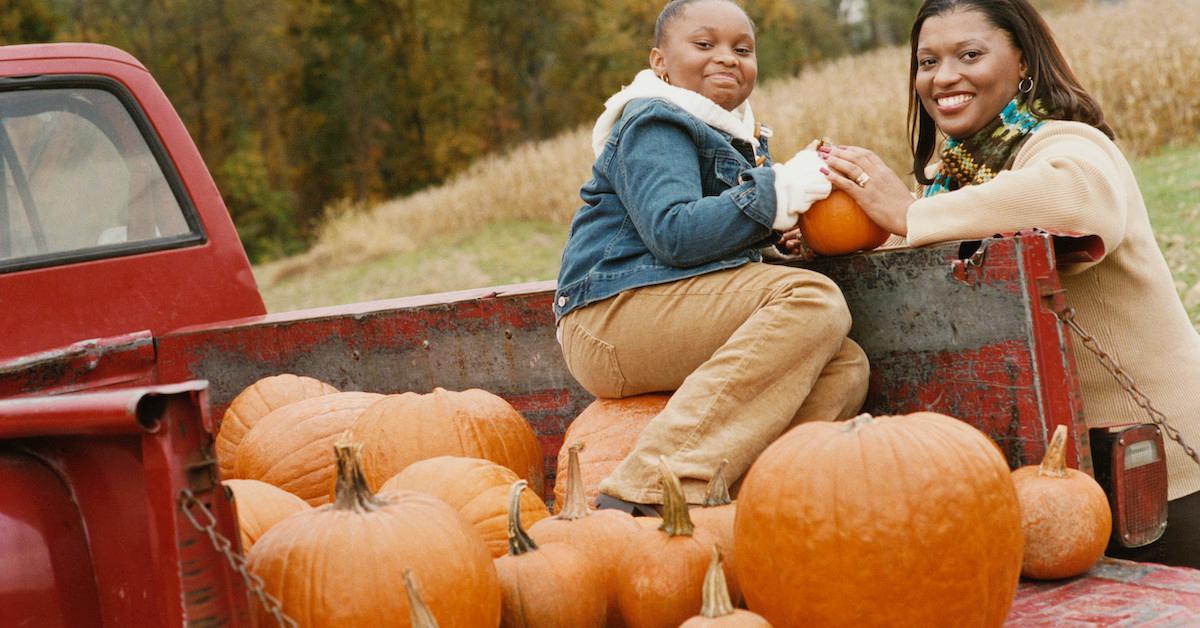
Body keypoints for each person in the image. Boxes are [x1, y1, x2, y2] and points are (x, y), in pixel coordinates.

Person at [821, 0, 1200, 568]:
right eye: (928, 61)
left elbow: (1078, 201)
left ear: (1022, 62)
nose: (943, 76)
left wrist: (911, 214)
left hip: (1157, 465)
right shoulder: (953, 181)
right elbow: (928, 242)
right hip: (1049, 475)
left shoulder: (1066, 144)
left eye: (969, 54)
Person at [553, 0, 869, 513]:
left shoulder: (734, 135)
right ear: (660, 61)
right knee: (811, 300)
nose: (726, 58)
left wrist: (777, 236)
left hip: (663, 310)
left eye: (742, 49)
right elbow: (673, 233)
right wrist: (774, 194)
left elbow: (710, 237)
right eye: (704, 45)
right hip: (611, 315)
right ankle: (645, 490)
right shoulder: (653, 121)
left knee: (843, 365)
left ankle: (744, 503)